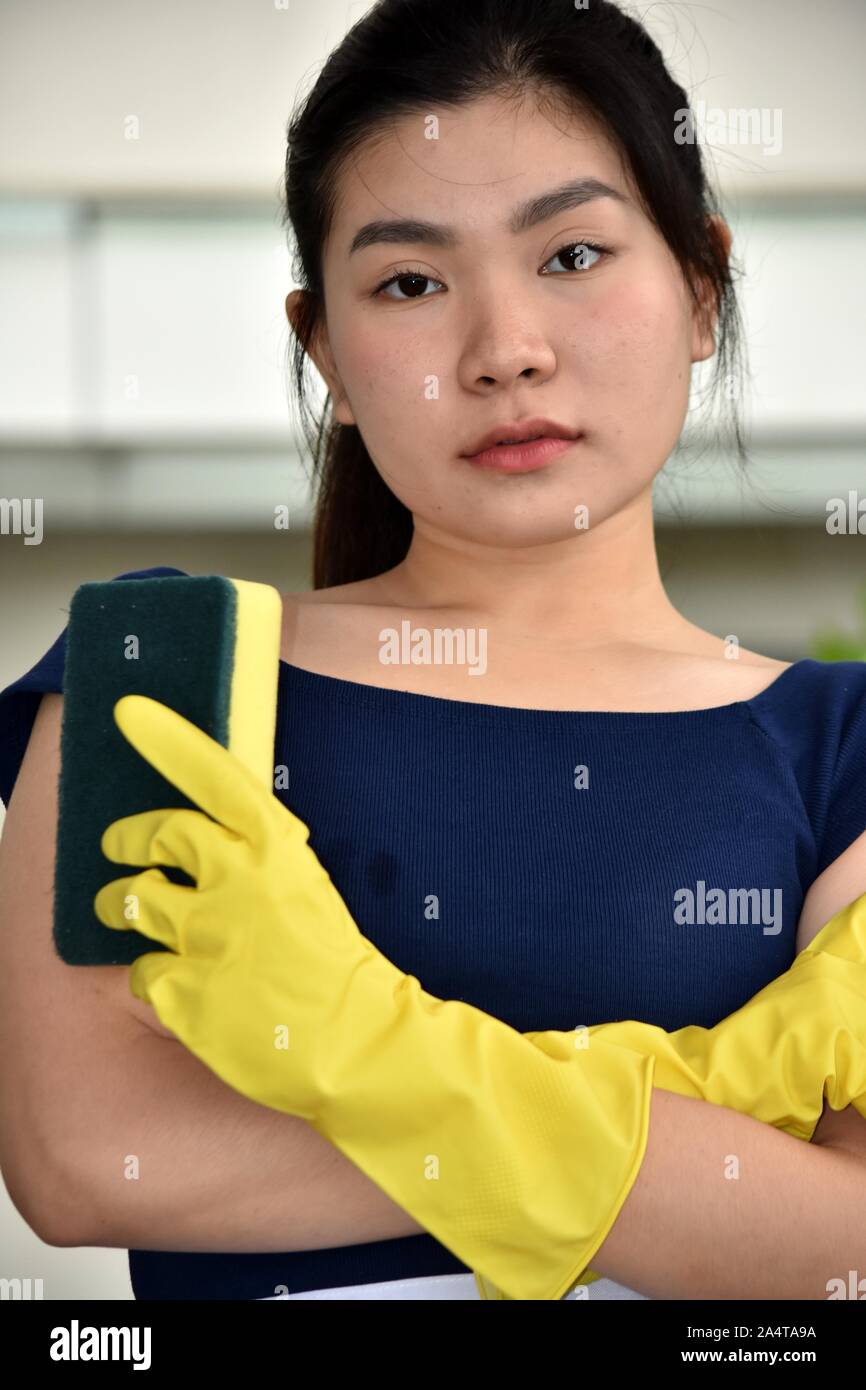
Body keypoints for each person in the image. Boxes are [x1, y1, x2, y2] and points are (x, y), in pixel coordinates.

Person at [2, 0, 866, 1301]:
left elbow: (839, 1246)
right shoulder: (157, 667)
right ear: (325, 351)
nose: (504, 349)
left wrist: (357, 1043)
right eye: (409, 281)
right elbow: (90, 1160)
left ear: (701, 285)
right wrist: (687, 1120)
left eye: (571, 254)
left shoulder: (841, 742)